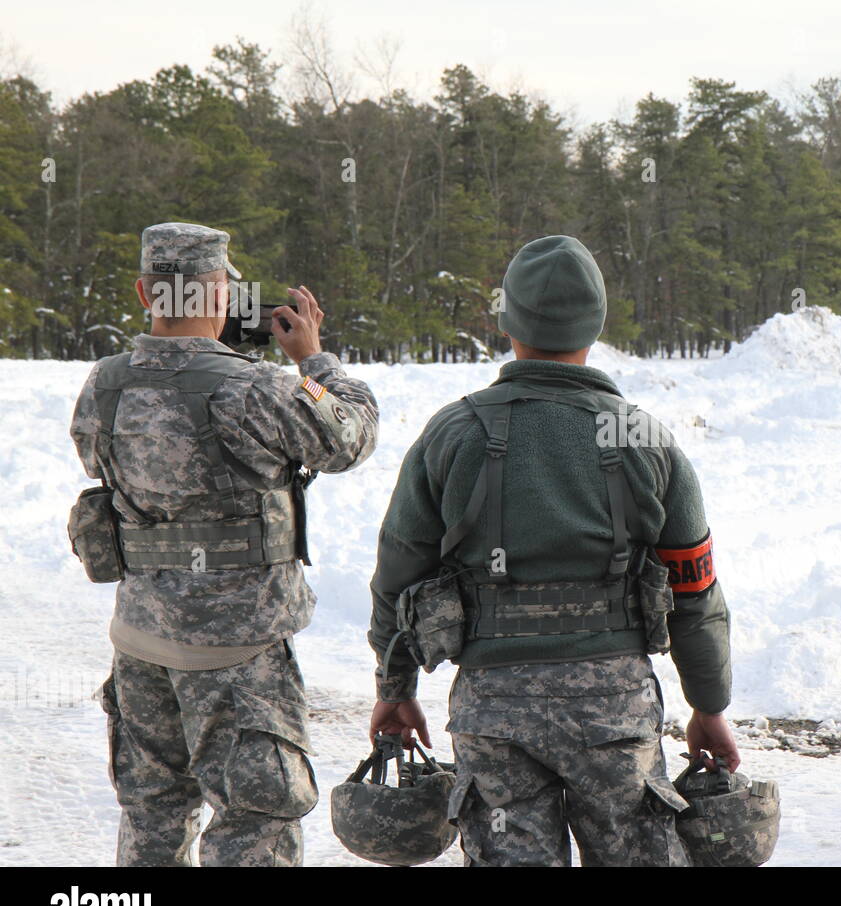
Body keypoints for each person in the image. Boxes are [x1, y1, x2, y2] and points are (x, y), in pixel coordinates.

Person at [367, 235, 734, 867]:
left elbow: (398, 577)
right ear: (597, 321)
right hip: (614, 715)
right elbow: (694, 593)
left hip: (492, 714)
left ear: (506, 320)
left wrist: (394, 687)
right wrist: (709, 705)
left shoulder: (453, 434)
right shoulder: (644, 437)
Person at [70, 222, 378, 866]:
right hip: (239, 651)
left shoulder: (104, 384)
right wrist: (315, 360)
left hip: (142, 642)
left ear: (144, 292)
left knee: (152, 815)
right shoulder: (257, 387)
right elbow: (349, 436)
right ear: (222, 295)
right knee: (254, 822)